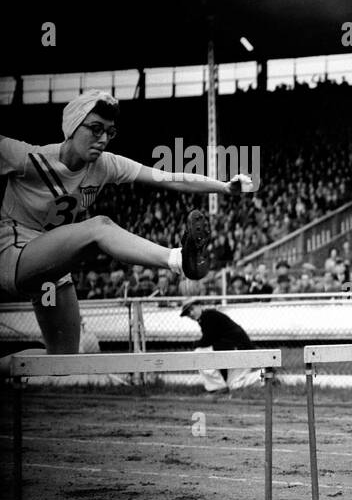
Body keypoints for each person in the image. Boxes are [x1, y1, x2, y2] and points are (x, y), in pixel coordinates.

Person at [0, 91, 247, 360]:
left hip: (51, 270)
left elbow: (168, 179)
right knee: (99, 227)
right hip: (15, 256)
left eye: (110, 132)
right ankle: (178, 259)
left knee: (62, 360)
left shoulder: (106, 165)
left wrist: (223, 187)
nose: (103, 139)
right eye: (95, 129)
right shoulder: (27, 158)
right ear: (72, 127)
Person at [179, 300, 261, 393]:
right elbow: (216, 343)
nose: (191, 314)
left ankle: (217, 388)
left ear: (199, 306)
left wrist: (195, 344)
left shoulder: (209, 316)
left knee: (200, 353)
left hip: (241, 352)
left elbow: (208, 340)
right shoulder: (206, 317)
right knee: (233, 385)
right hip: (238, 351)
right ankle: (266, 375)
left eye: (191, 309)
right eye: (187, 313)